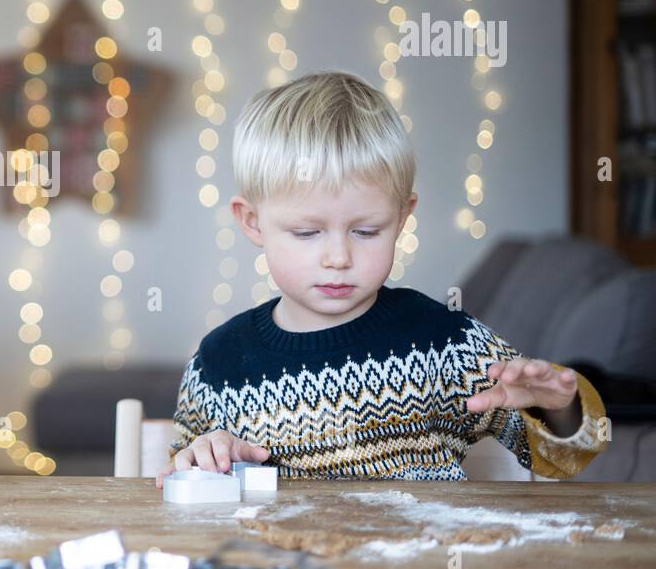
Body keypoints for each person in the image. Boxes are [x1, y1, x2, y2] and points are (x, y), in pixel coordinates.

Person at [158, 71, 607, 485]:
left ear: (401, 217)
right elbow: (182, 475)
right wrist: (206, 459)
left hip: (423, 566)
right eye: (307, 232)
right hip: (286, 568)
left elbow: (566, 457)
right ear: (253, 222)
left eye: (366, 231)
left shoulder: (444, 342)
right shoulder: (219, 363)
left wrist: (560, 410)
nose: (338, 256)